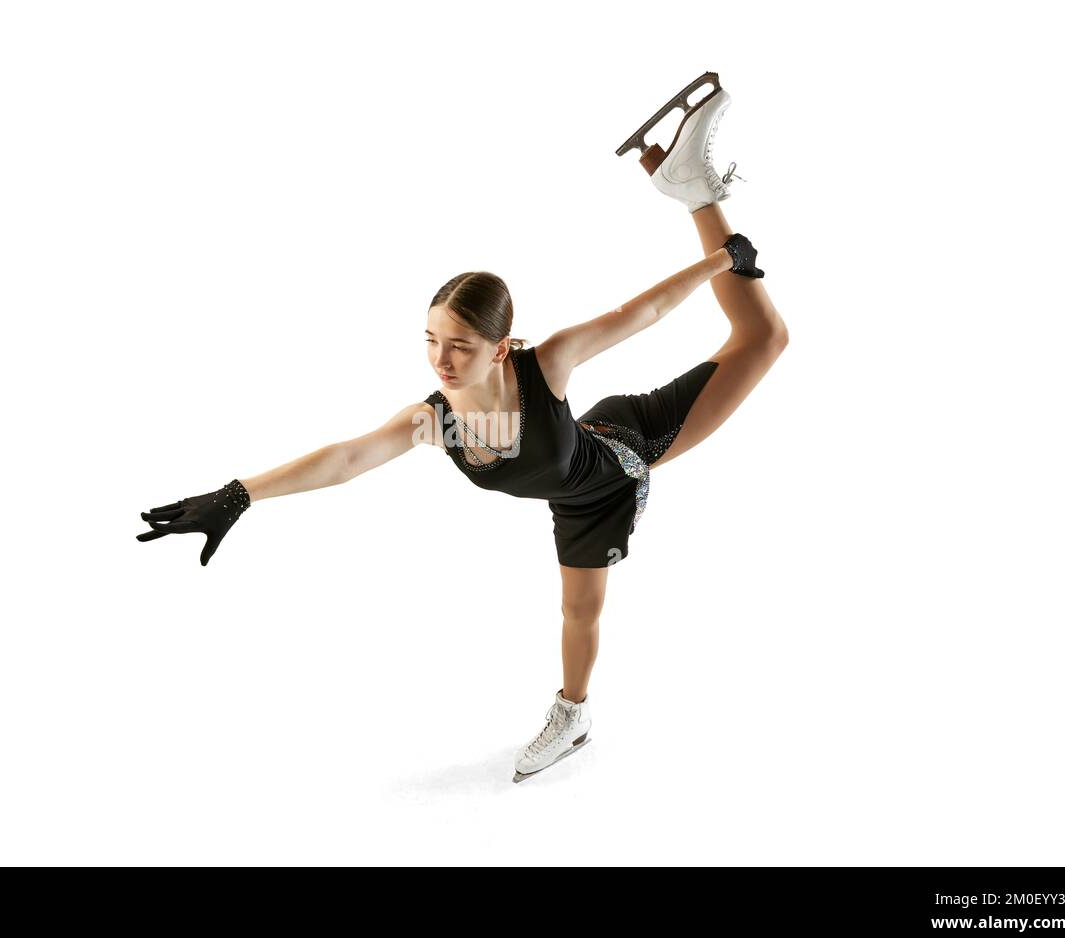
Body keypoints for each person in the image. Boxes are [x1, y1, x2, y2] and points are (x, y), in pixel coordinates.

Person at [137, 72, 788, 783]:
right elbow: (346, 459)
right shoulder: (436, 421)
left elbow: (640, 314)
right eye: (430, 340)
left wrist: (722, 261)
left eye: (460, 346)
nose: (441, 361)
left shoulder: (546, 364)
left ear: (501, 348)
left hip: (626, 456)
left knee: (762, 337)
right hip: (583, 460)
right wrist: (239, 493)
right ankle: (692, 184)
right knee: (755, 339)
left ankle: (697, 192)